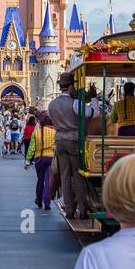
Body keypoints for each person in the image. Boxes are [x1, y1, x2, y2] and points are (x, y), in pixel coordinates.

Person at [48, 74, 102, 220]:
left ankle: (69, 209)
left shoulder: (51, 105)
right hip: (74, 141)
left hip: (60, 141)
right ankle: (83, 209)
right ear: (71, 87)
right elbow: (94, 113)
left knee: (64, 176)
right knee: (78, 175)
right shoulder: (75, 103)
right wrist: (94, 98)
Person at [27, 112, 56, 210]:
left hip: (39, 158)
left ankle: (38, 199)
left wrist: (27, 160)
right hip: (50, 158)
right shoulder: (54, 133)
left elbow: (31, 148)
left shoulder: (36, 133)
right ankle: (47, 203)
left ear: (41, 123)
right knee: (48, 181)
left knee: (40, 179)